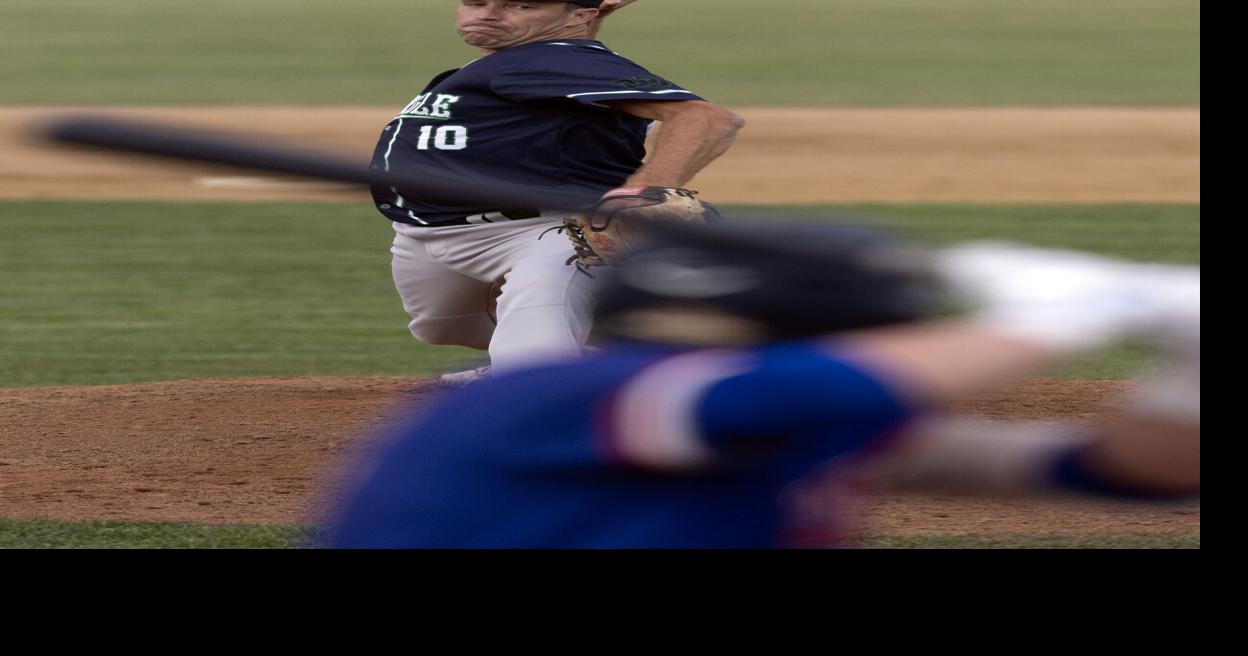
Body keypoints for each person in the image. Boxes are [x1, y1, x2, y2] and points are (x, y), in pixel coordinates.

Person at [325, 219, 1200, 548]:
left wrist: (1185, 368)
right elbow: (793, 393)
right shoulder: (564, 398)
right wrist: (1059, 318)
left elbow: (1130, 472)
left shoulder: (757, 432)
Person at [369, 0, 745, 384]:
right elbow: (562, 52)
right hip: (427, 233)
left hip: (546, 231)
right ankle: (595, 364)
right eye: (475, 2)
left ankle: (537, 393)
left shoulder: (545, 59)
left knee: (533, 342)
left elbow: (708, 118)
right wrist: (580, 20)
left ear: (577, 15)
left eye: (520, 5)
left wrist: (640, 193)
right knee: (444, 328)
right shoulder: (526, 59)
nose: (487, 13)